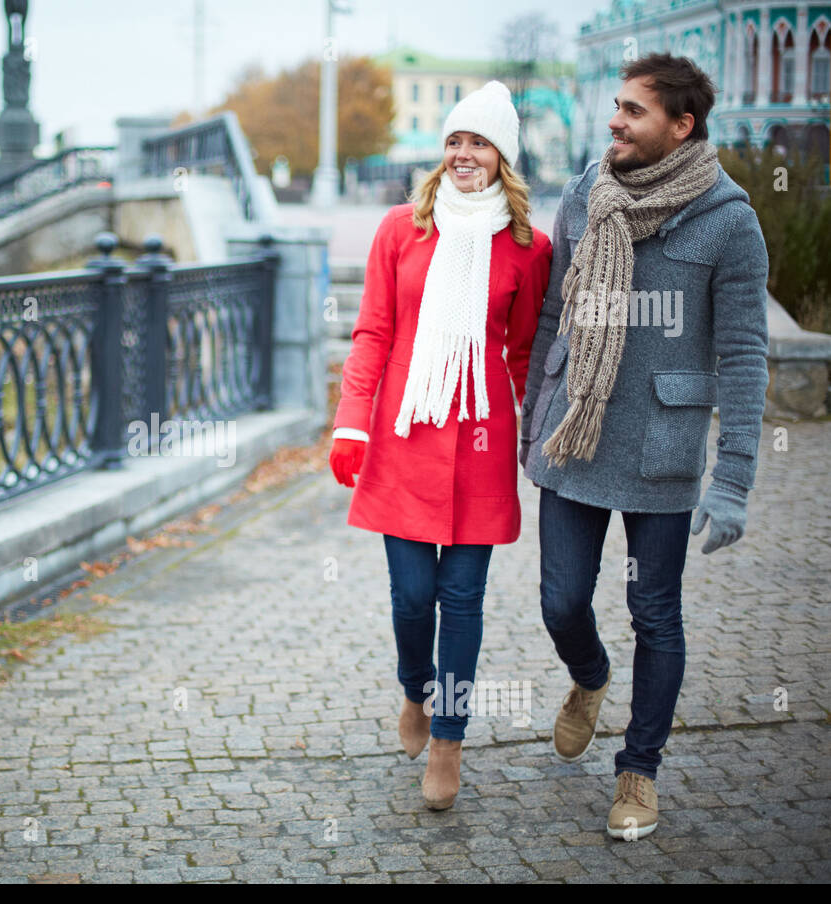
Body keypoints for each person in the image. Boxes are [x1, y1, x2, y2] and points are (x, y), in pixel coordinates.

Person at [518, 53, 769, 840]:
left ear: (681, 125)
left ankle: (640, 767)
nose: (614, 121)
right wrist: (534, 416)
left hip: (663, 445)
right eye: (616, 106)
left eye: (633, 111)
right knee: (561, 601)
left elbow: (743, 354)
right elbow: (555, 315)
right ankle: (588, 678)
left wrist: (732, 481)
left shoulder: (730, 219)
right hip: (574, 430)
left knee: (654, 612)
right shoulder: (586, 192)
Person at [329, 80, 553, 811]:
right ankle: (413, 690)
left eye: (478, 143)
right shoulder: (401, 228)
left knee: (462, 599)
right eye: (455, 140)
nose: (463, 153)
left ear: (502, 160)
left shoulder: (528, 247)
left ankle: (449, 738)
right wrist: (351, 420)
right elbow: (373, 332)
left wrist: (542, 440)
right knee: (411, 597)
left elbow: (524, 354)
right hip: (403, 436)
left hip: (481, 442)